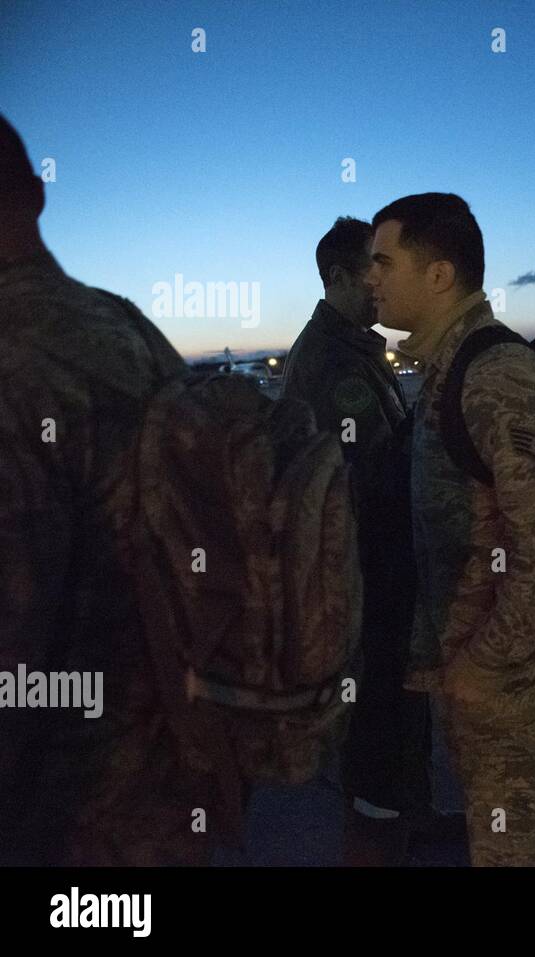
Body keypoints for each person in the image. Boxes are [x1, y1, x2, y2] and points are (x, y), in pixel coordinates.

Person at [0, 115, 206, 864]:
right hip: (178, 773)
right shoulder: (127, 327)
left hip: (70, 815)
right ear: (39, 196)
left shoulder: (12, 357)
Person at [367, 192, 535, 866]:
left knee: (518, 848)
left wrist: (484, 661)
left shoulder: (494, 374)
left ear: (438, 275)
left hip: (513, 681)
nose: (370, 278)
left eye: (383, 262)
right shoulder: (448, 370)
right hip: (484, 672)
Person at [281, 216, 440, 865]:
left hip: (380, 574)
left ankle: (410, 821)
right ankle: (377, 843)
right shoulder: (331, 363)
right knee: (378, 728)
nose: (382, 283)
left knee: (398, 722)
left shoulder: (353, 351)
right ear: (337, 277)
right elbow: (365, 483)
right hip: (364, 581)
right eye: (369, 270)